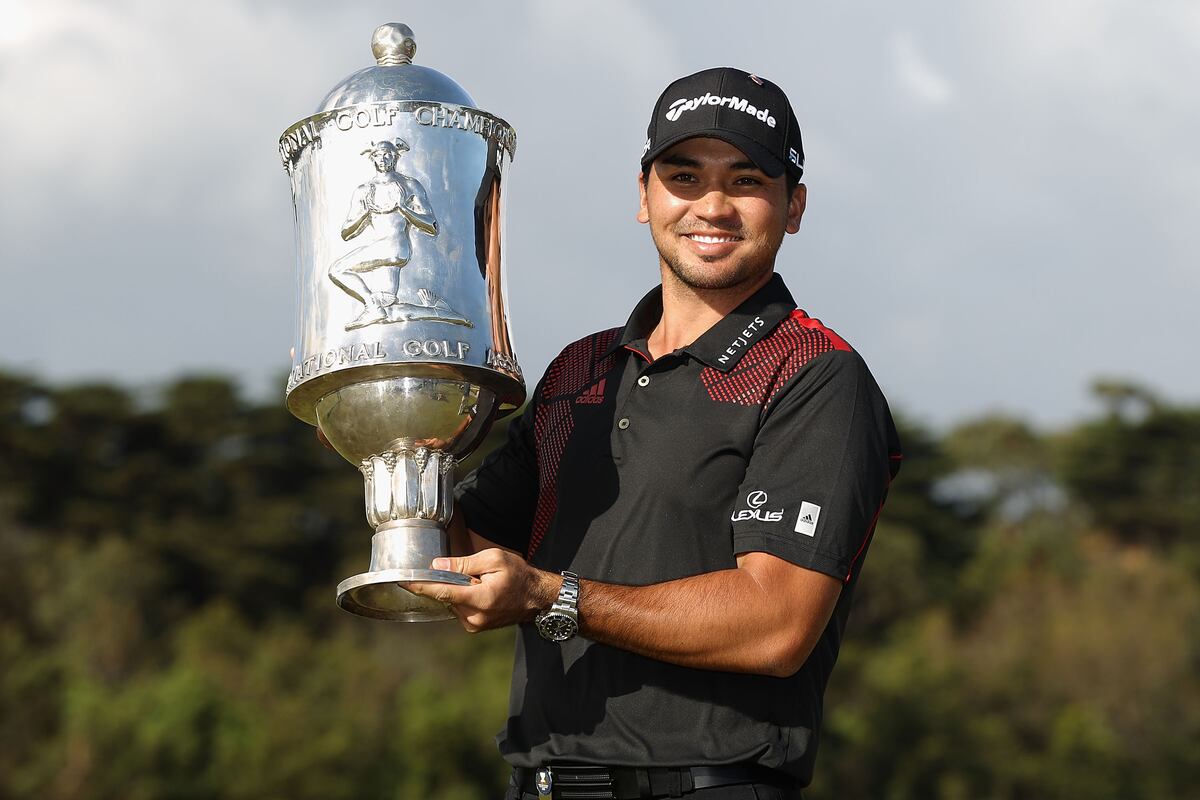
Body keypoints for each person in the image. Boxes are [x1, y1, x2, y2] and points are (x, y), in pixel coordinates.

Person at [407, 67, 903, 800]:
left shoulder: (816, 376)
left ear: (792, 206)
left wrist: (552, 596)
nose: (712, 206)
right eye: (683, 176)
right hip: (536, 783)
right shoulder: (582, 368)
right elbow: (471, 556)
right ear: (644, 197)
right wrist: (399, 458)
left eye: (746, 181)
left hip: (713, 786)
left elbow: (776, 623)